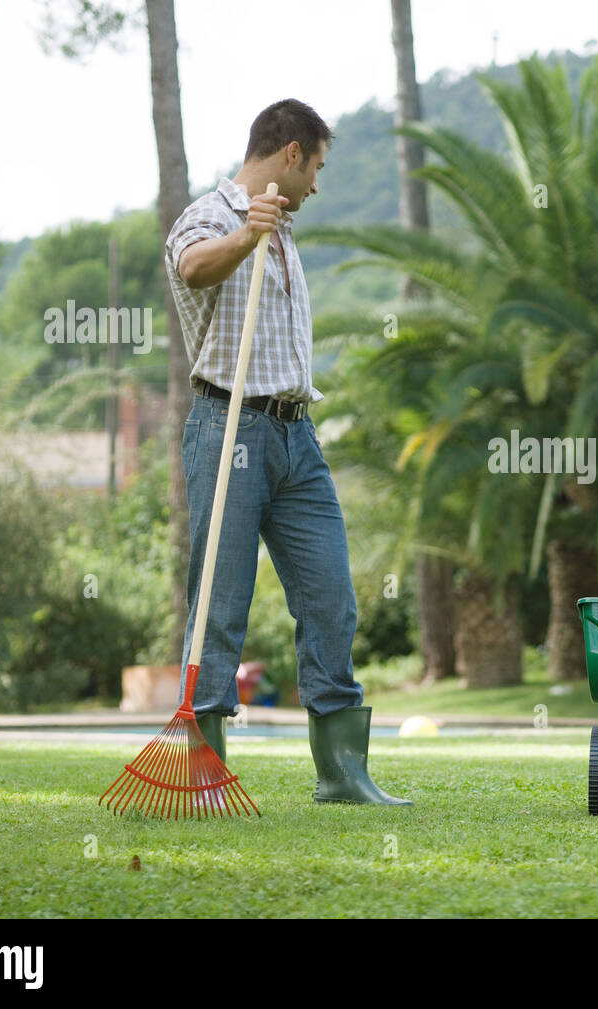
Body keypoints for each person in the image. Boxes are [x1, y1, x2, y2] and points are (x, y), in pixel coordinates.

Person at [163, 98, 410, 806]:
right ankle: (206, 772)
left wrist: (263, 232)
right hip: (229, 424)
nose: (317, 185)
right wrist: (248, 232)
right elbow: (194, 266)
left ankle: (341, 772)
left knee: (332, 595)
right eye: (318, 167)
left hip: (297, 435)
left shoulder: (284, 232)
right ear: (292, 151)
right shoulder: (213, 214)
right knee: (220, 600)